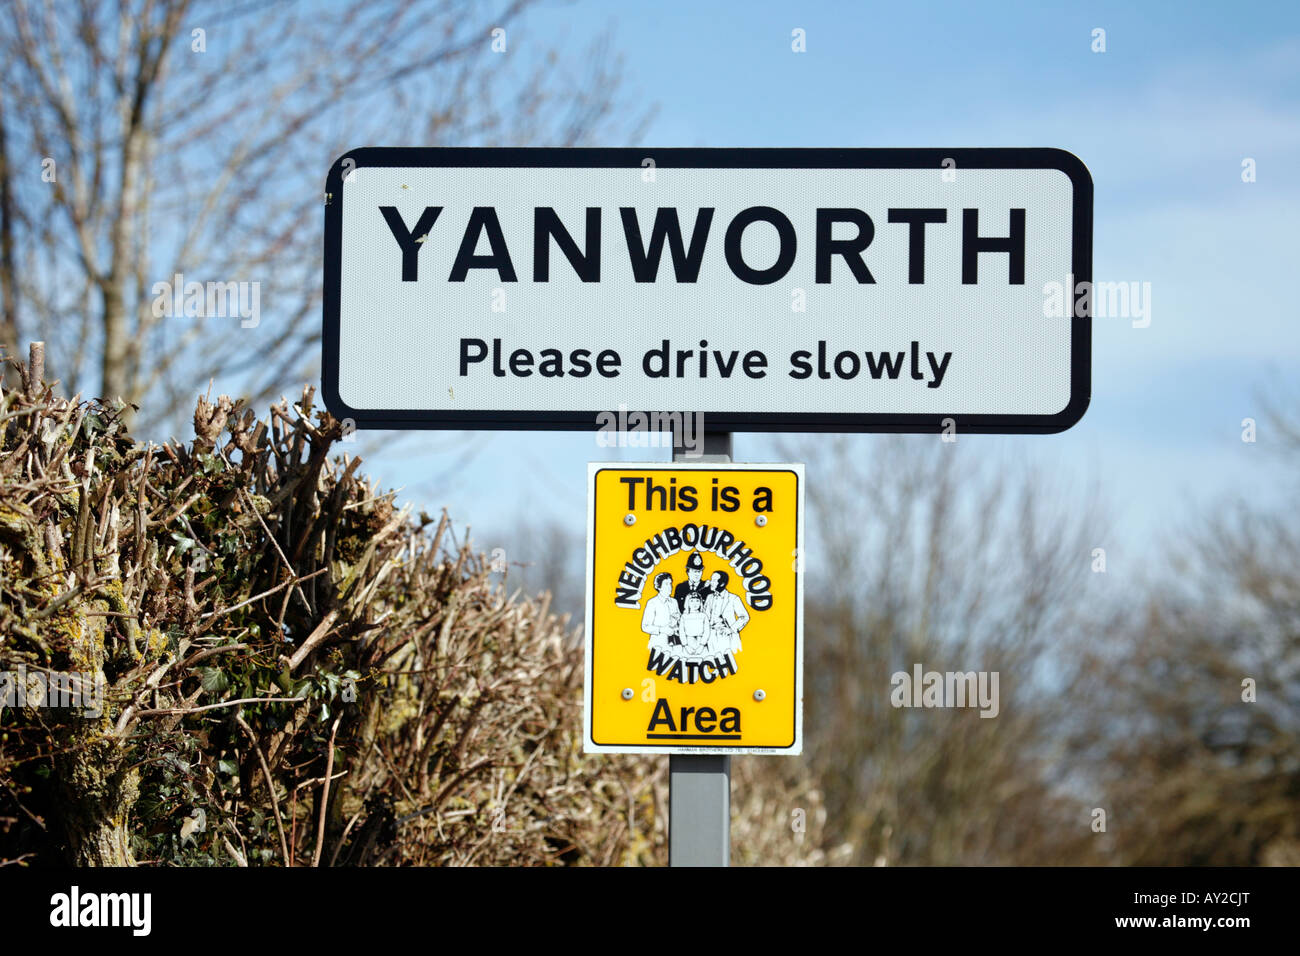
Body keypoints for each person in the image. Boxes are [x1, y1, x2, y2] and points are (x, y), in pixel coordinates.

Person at [704, 570, 749, 654]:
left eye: (714, 580)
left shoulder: (733, 598)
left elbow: (744, 617)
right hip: (711, 637)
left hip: (727, 637)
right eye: (711, 579)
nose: (711, 582)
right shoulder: (709, 597)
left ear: (722, 584)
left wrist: (731, 629)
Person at [642, 572, 680, 651]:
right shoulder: (652, 603)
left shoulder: (674, 602)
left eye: (670, 583)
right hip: (658, 644)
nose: (670, 586)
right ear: (659, 587)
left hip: (675, 643)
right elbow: (645, 626)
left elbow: (678, 619)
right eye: (666, 584)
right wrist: (662, 630)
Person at [677, 591, 708, 657]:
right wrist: (685, 646)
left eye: (697, 601)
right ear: (687, 603)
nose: (695, 603)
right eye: (692, 601)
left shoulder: (703, 616)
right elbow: (681, 632)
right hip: (688, 643)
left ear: (700, 603)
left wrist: (702, 645)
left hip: (701, 643)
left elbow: (707, 631)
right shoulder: (684, 616)